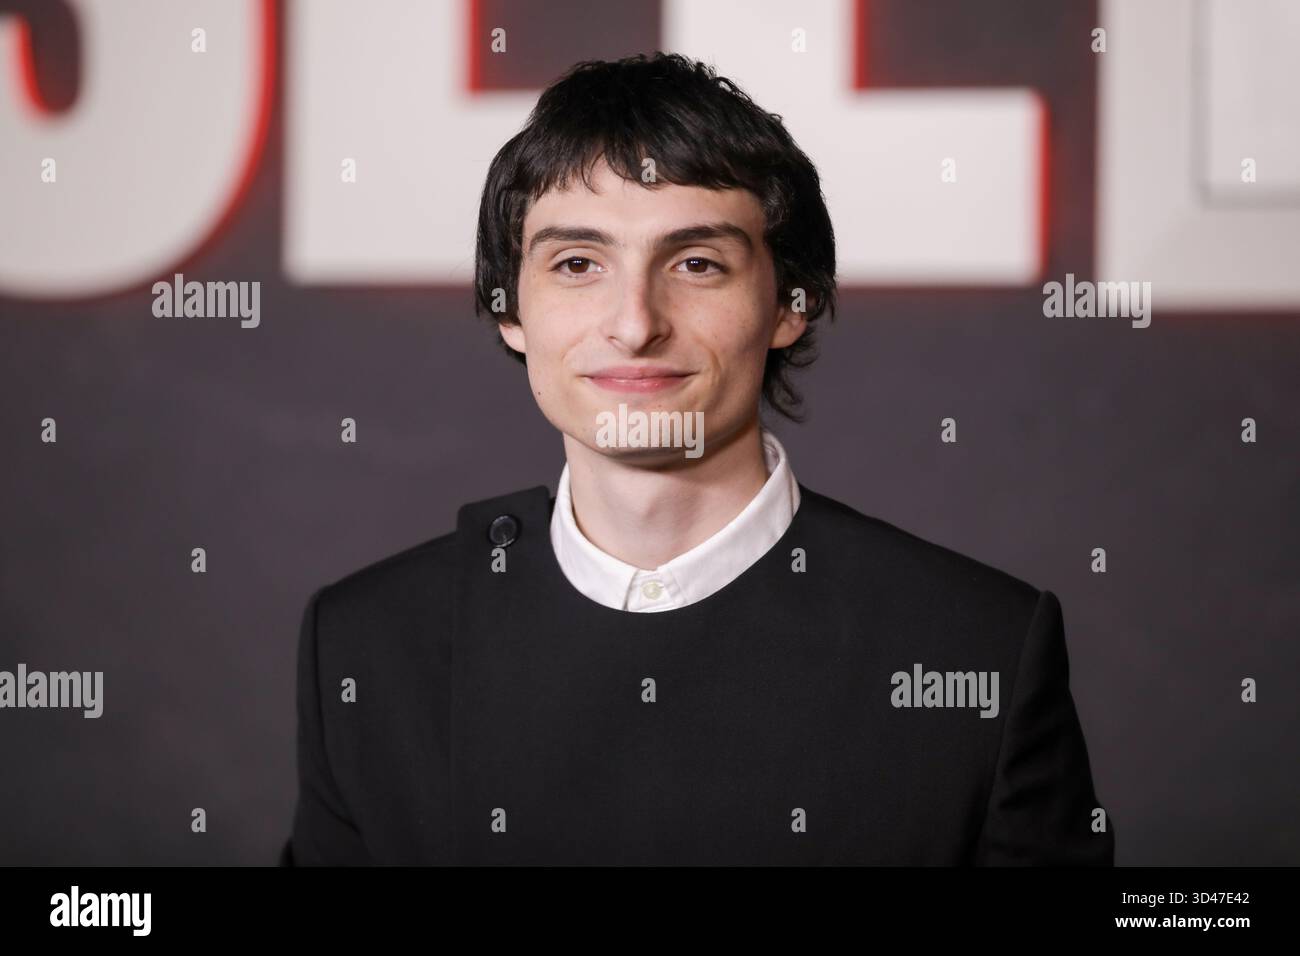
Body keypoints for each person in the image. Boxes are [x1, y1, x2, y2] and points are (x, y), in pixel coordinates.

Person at [281, 52, 1113, 866]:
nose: (635, 323)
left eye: (697, 264)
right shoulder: (367, 647)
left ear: (792, 303)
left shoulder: (979, 646)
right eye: (577, 264)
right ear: (510, 311)